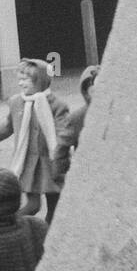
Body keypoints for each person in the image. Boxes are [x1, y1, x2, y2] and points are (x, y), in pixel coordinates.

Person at [0, 58, 73, 220]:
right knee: (33, 206)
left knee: (54, 208)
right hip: (27, 163)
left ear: (40, 80)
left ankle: (47, 238)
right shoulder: (17, 102)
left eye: (25, 80)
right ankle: (8, 224)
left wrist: (63, 152)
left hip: (50, 162)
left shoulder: (57, 105)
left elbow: (63, 132)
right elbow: (8, 126)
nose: (21, 84)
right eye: (19, 80)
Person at [52, 65, 99, 209]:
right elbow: (63, 146)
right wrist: (59, 172)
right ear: (87, 91)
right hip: (87, 169)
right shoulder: (77, 118)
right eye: (94, 89)